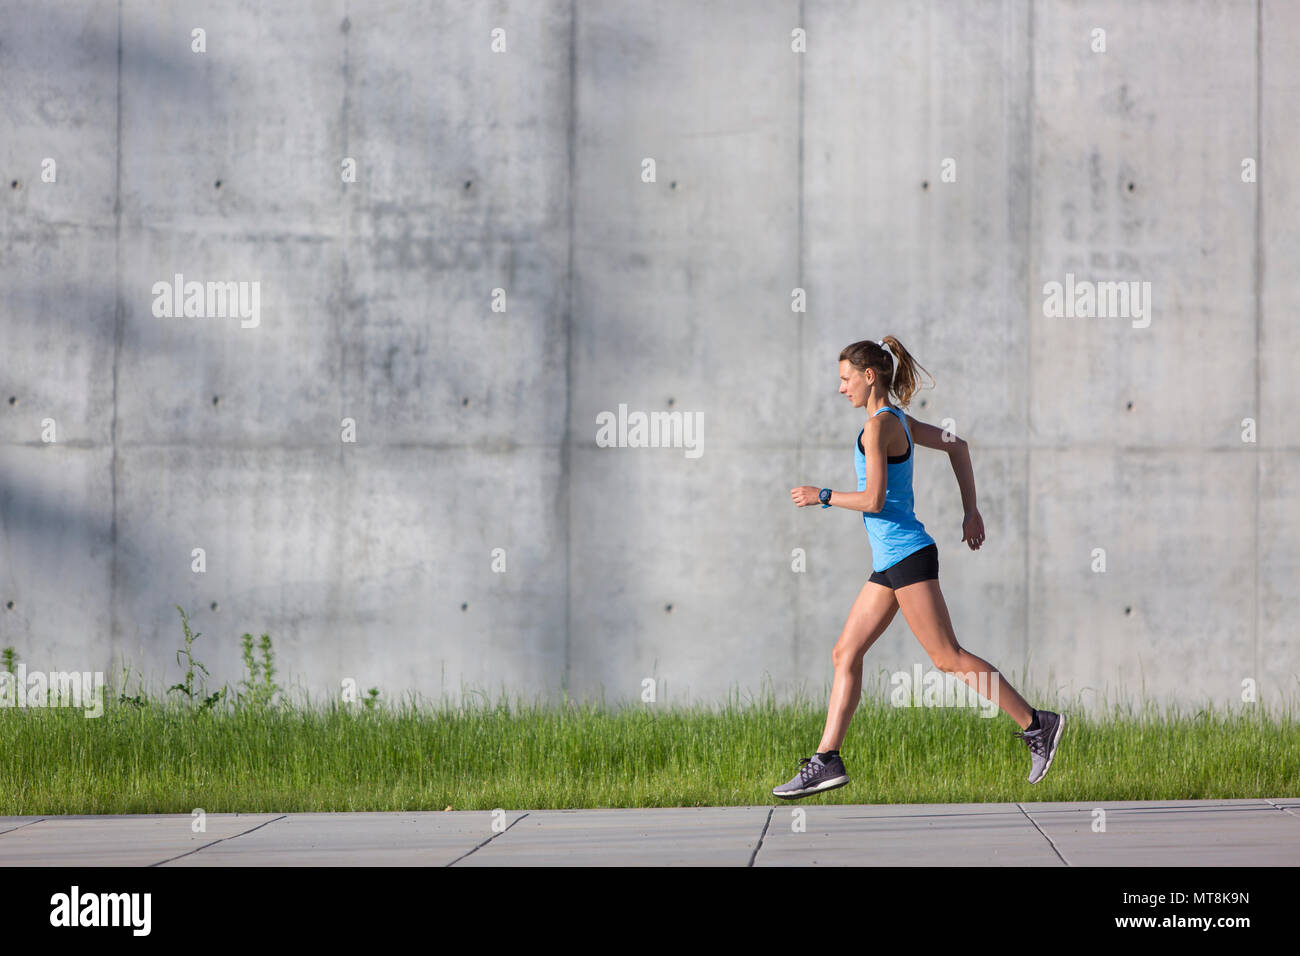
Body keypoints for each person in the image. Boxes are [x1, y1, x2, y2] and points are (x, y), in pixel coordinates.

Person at [773, 337, 1065, 799]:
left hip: (907, 557)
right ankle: (827, 759)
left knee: (947, 657)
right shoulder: (898, 422)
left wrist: (823, 495)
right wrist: (970, 511)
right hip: (890, 563)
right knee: (845, 653)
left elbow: (873, 499)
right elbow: (959, 446)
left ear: (869, 377)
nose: (840, 388)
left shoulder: (879, 428)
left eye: (845, 378)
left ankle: (1037, 723)